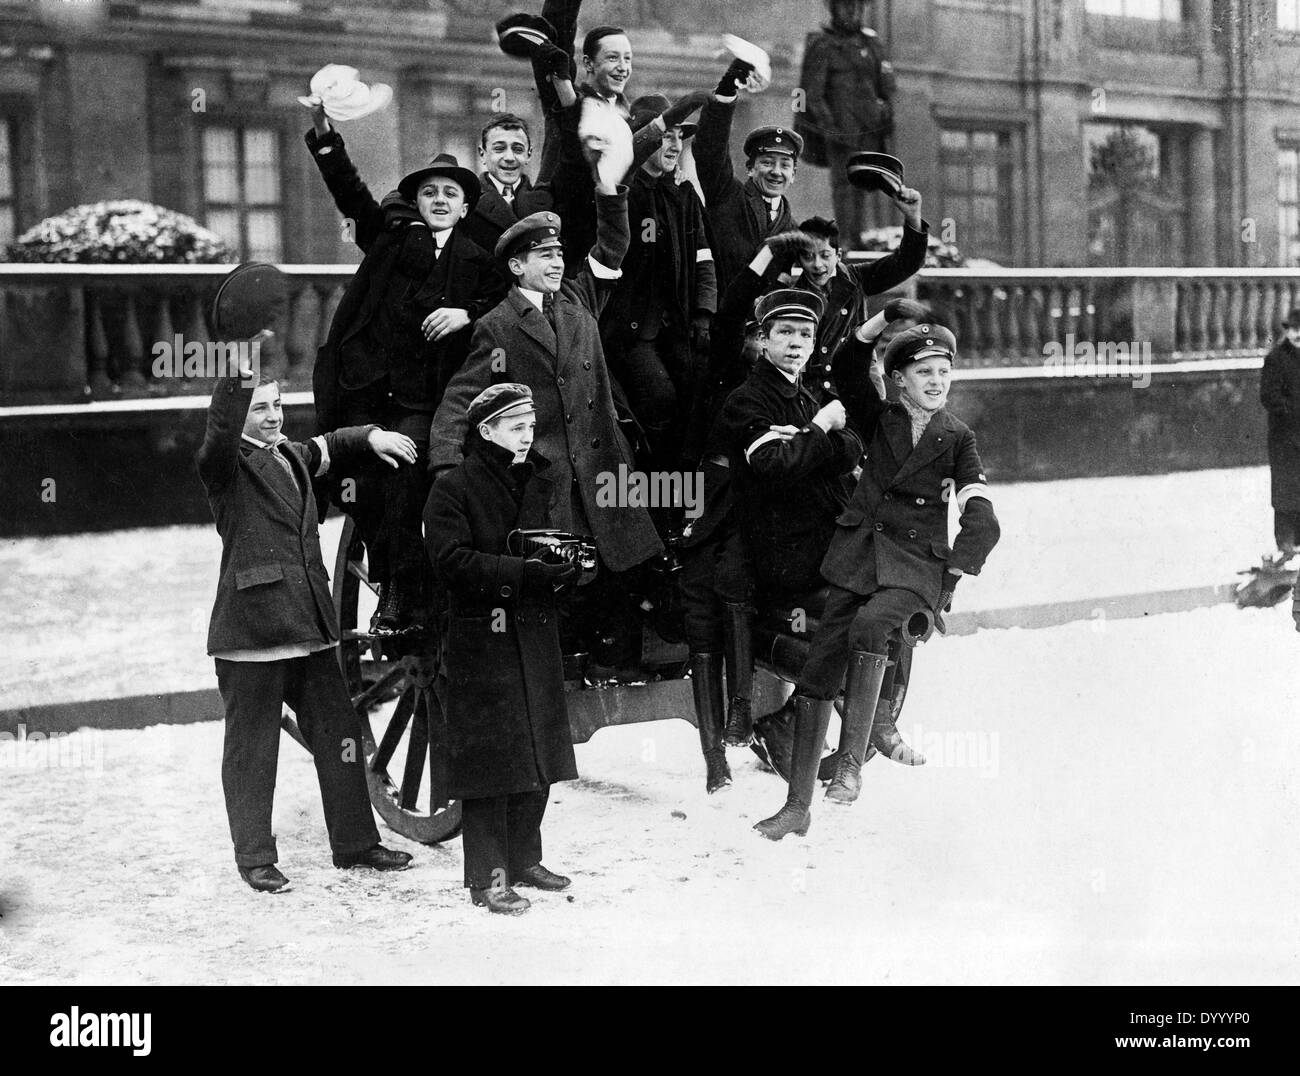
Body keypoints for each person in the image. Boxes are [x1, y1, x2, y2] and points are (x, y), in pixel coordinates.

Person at [196, 263, 414, 893]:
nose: (272, 417)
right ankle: (256, 859)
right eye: (260, 408)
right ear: (238, 415)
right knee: (252, 751)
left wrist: (370, 435)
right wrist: (241, 356)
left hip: (311, 628)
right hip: (254, 633)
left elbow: (331, 445)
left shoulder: (291, 455)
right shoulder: (223, 467)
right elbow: (219, 426)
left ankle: (355, 843)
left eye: (277, 405)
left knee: (341, 735)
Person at [754, 322, 1000, 840]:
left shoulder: (957, 437)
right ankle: (796, 808)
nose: (936, 381)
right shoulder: (877, 417)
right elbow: (847, 366)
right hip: (858, 559)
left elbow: (980, 511)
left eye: (944, 372)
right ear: (899, 380)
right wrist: (881, 324)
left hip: (915, 568)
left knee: (870, 627)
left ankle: (851, 765)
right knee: (819, 672)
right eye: (923, 372)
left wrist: (955, 570)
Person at [305, 101, 508, 634]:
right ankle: (391, 574)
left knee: (404, 471)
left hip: (430, 401)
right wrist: (326, 133)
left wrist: (467, 312)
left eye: (451, 194)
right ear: (417, 202)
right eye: (430, 193)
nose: (440, 201)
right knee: (362, 485)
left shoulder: (479, 261)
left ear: (466, 208)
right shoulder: (391, 241)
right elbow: (348, 192)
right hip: (371, 394)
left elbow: (512, 304)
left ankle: (400, 589)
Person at [424, 383, 578, 915]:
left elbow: (544, 543)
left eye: (531, 426)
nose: (527, 436)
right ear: (485, 430)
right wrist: (525, 574)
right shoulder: (453, 487)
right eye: (517, 427)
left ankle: (524, 859)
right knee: (492, 764)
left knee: (537, 751)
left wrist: (565, 569)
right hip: (482, 641)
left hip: (532, 633)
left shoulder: (534, 479)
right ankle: (487, 879)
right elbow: (451, 562)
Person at [601, 94, 717, 482]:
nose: (674, 145)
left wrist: (703, 312)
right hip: (629, 331)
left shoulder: (684, 197)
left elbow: (704, 260)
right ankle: (643, 495)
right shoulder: (621, 189)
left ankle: (674, 505)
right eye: (666, 136)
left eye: (679, 138)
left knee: (694, 397)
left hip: (676, 325)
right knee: (657, 399)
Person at [694, 56, 801, 295]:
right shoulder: (726, 195)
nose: (776, 171)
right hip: (715, 324)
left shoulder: (794, 231)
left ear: (793, 175)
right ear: (750, 168)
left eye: (785, 165)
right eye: (767, 162)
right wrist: (727, 90)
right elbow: (710, 150)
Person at [796, 0, 897, 245]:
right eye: (846, 6)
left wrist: (883, 108)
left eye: (857, 7)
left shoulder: (872, 43)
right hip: (842, 129)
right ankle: (845, 241)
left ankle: (857, 236)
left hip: (869, 127)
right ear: (834, 9)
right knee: (844, 185)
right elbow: (813, 94)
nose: (852, 12)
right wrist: (830, 127)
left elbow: (887, 86)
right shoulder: (823, 44)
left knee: (864, 182)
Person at [457, 113, 555, 255]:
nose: (509, 157)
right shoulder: (466, 202)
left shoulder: (546, 200)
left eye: (518, 149)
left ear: (529, 154)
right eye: (499, 149)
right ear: (482, 154)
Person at [1260, 308, 1300, 558]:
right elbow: (1268, 396)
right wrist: (1293, 412)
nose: (1298, 335)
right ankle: (1285, 542)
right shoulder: (1276, 359)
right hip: (1285, 437)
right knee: (1286, 490)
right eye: (1294, 330)